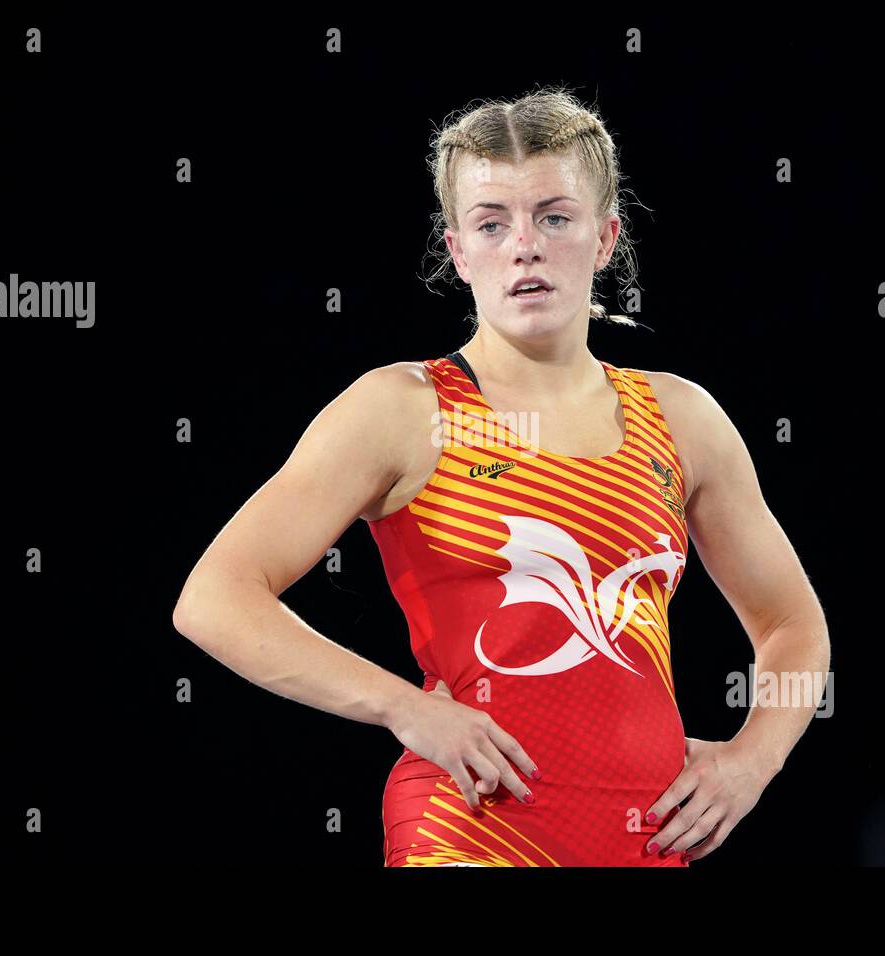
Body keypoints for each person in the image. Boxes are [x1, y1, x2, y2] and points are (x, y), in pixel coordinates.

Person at [172, 87, 831, 866]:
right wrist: (401, 707)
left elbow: (792, 623)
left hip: (645, 840)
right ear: (457, 251)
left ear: (605, 236)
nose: (525, 246)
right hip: (469, 831)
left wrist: (754, 760)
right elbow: (214, 598)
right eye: (492, 223)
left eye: (554, 216)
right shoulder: (402, 409)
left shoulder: (682, 419)